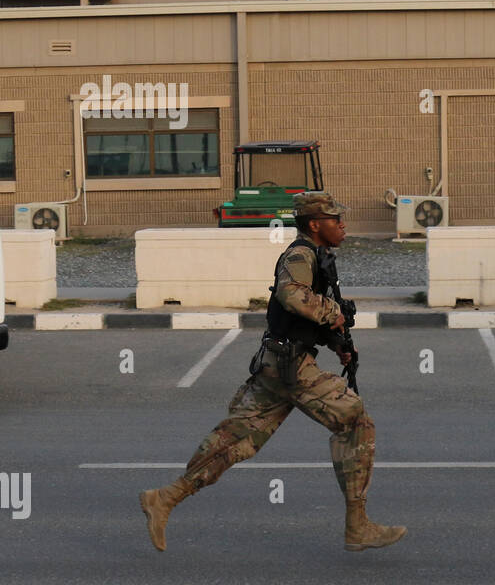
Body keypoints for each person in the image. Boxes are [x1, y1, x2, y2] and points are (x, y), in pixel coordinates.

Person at [138, 191, 406, 553]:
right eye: (334, 219)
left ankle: (165, 498)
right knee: (355, 419)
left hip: (276, 366)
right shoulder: (301, 254)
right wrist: (332, 312)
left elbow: (297, 317)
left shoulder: (320, 256)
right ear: (315, 224)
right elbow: (290, 295)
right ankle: (357, 526)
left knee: (236, 441)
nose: (343, 225)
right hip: (292, 367)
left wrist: (336, 342)